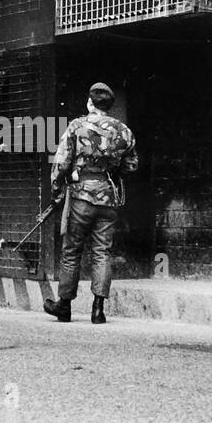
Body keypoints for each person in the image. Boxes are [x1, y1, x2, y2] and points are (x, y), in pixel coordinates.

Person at [43, 83, 138, 324]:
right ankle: (98, 310)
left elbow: (61, 162)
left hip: (81, 198)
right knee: (102, 252)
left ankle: (64, 306)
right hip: (108, 199)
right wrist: (110, 172)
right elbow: (131, 165)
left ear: (89, 103)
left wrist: (57, 190)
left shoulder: (77, 126)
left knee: (71, 251)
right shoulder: (124, 131)